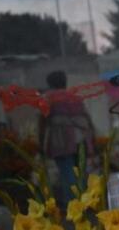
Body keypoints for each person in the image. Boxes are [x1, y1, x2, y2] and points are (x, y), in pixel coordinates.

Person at [39, 70, 95, 207]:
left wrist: (41, 144)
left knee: (67, 172)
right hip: (81, 138)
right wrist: (92, 140)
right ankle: (84, 203)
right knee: (79, 172)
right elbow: (88, 119)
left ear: (50, 84)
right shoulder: (75, 97)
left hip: (61, 140)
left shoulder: (48, 98)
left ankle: (73, 205)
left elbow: (42, 122)